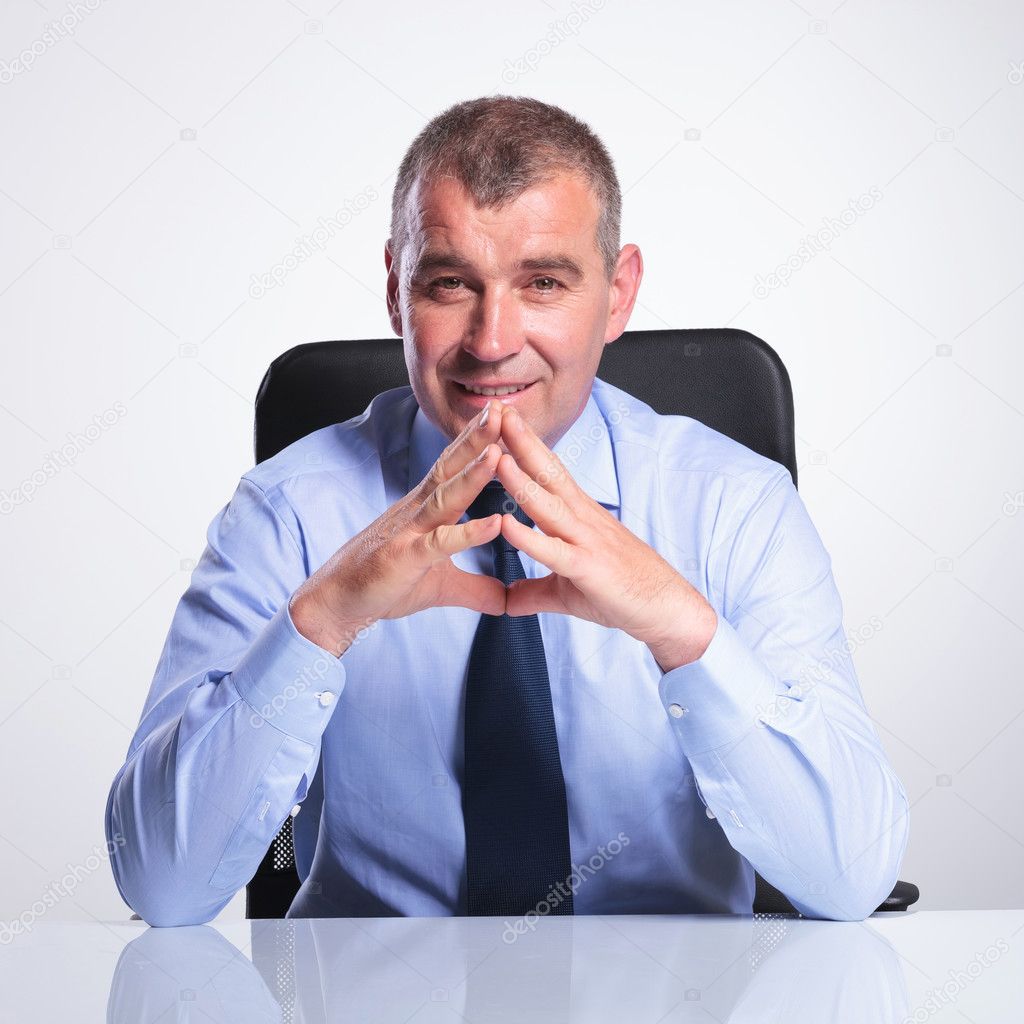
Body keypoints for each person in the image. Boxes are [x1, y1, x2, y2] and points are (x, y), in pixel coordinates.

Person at [105, 95, 909, 927]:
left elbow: (849, 880)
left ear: (619, 294)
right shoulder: (287, 514)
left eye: (544, 283)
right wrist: (322, 621)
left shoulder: (735, 507)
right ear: (395, 292)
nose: (492, 341)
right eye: (451, 284)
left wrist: (683, 631)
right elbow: (163, 886)